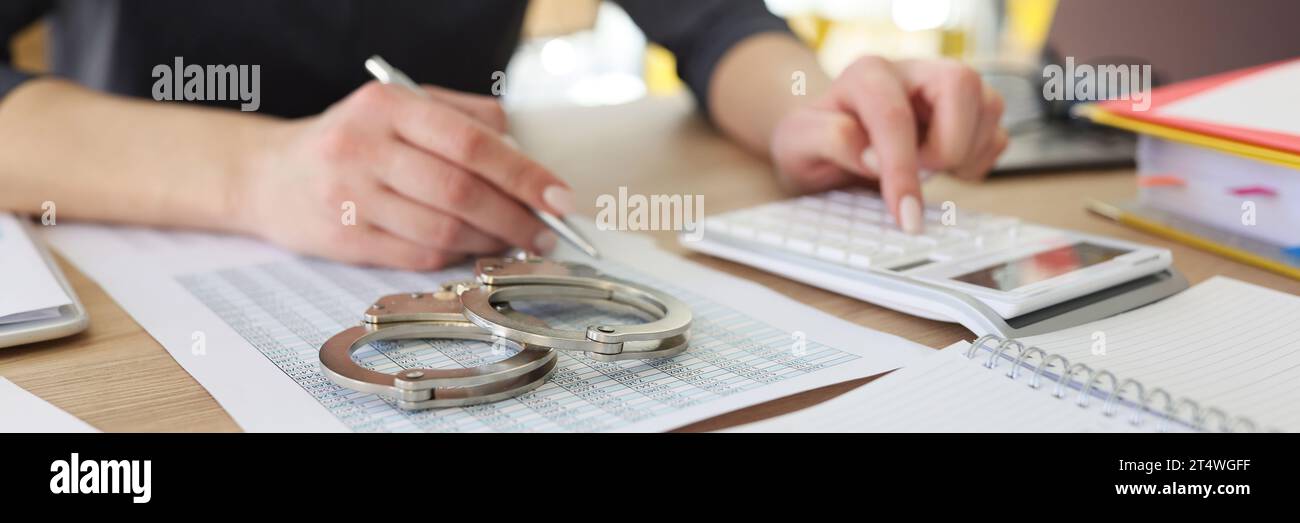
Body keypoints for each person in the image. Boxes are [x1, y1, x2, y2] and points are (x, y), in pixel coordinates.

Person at [0, 0, 1006, 270]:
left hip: (458, 245)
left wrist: (810, 105)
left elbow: (717, 23)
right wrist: (257, 173)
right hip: (136, 256)